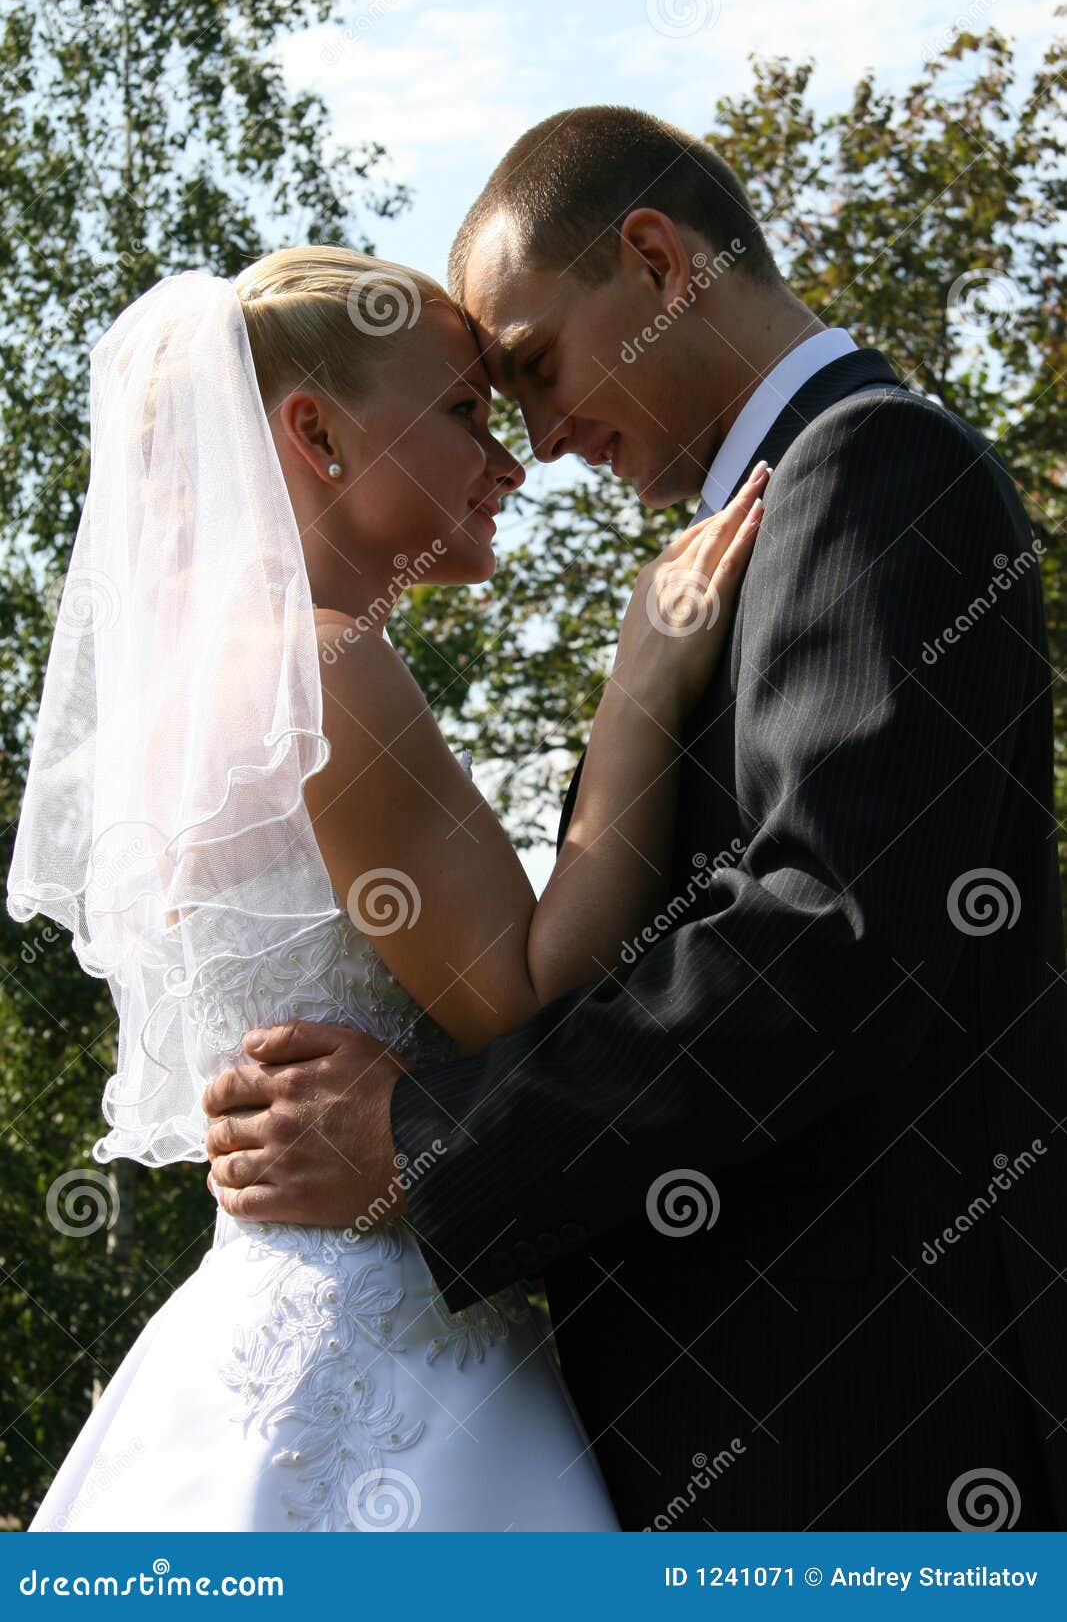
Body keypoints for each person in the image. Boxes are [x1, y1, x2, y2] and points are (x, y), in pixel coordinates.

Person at [203, 108, 1067, 1531]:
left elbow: (832, 937)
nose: (534, 443)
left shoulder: (872, 472)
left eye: (531, 368)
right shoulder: (778, 513)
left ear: (657, 262)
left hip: (853, 1425)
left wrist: (427, 1142)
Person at [6, 246, 764, 1531]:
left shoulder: (187, 703)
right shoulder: (328, 670)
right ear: (316, 434)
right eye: (464, 411)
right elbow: (529, 1004)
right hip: (388, 1353)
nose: (510, 461)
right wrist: (646, 678)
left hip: (237, 1338)